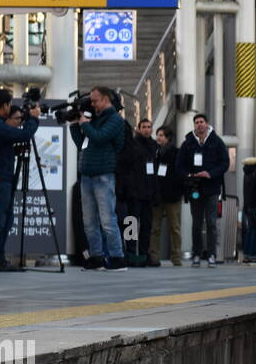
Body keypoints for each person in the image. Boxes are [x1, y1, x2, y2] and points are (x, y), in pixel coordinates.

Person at [0, 88, 39, 272]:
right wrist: (33, 118)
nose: (9, 107)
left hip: (0, 179)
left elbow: (0, 148)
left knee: (5, 219)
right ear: (4, 106)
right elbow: (23, 135)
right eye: (9, 104)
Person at [68, 86, 127, 271]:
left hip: (103, 176)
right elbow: (83, 144)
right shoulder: (95, 119)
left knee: (108, 220)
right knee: (89, 222)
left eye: (95, 101)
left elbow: (100, 138)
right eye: (91, 101)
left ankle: (117, 258)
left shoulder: (115, 120)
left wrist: (85, 123)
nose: (92, 104)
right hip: (87, 175)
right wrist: (74, 125)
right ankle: (96, 257)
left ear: (106, 99)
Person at [176, 113, 228, 267]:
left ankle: (211, 255)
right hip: (195, 187)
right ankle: (197, 254)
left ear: (207, 124)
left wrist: (210, 173)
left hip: (212, 187)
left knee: (211, 223)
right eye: (196, 122)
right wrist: (189, 175)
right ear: (194, 125)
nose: (199, 124)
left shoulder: (217, 142)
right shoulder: (188, 143)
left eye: (201, 122)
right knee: (196, 223)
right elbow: (179, 165)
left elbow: (224, 163)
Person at [121, 118, 157, 267]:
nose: (147, 129)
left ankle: (143, 255)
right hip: (135, 192)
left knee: (147, 226)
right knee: (131, 224)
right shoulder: (133, 144)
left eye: (149, 127)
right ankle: (130, 255)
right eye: (144, 127)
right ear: (138, 128)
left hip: (148, 193)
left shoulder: (154, 146)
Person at [148, 126, 183, 266]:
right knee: (155, 227)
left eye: (161, 135)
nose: (158, 138)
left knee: (174, 227)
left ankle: (176, 257)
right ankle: (154, 257)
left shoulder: (176, 153)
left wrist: (178, 191)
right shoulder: (154, 152)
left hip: (172, 196)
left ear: (168, 137)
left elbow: (179, 174)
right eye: (157, 135)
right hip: (157, 196)